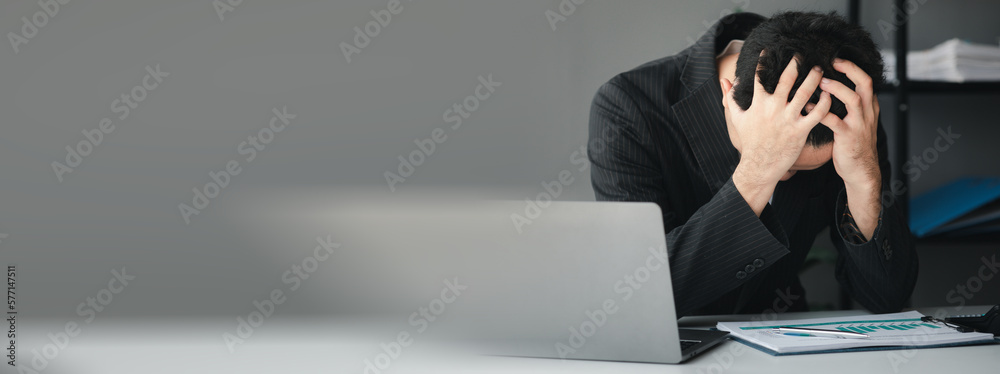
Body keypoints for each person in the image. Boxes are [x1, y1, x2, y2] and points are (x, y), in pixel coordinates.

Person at [588, 11, 917, 317]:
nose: (783, 178)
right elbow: (640, 298)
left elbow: (886, 297)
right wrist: (759, 170)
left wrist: (864, 179)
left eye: (797, 168)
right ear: (729, 99)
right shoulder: (630, 107)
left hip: (781, 337)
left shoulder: (848, 115)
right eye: (783, 165)